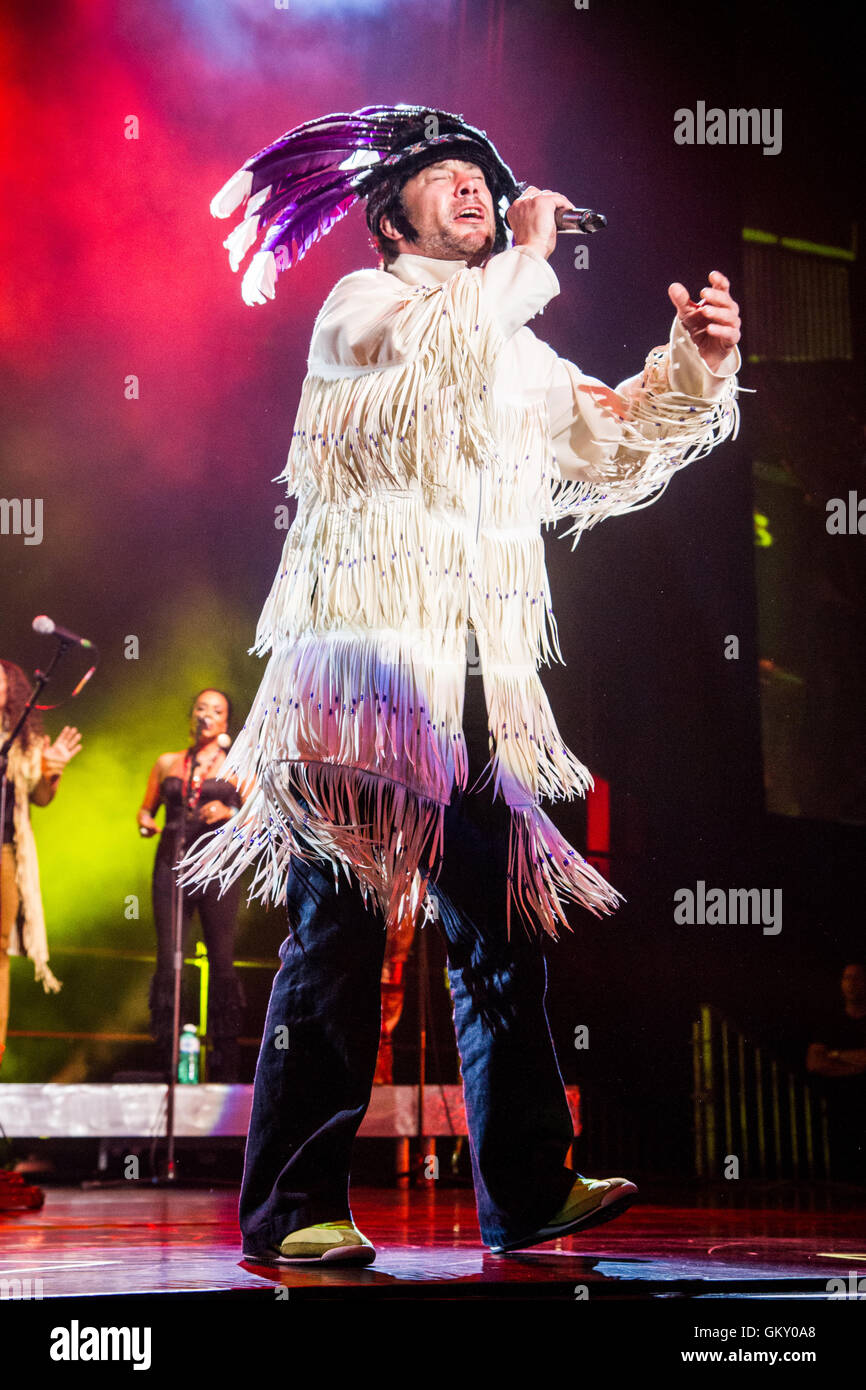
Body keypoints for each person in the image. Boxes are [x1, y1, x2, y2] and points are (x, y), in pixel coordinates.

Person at [179, 107, 742, 1263]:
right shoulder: (363, 307)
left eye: (483, 176)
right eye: (443, 177)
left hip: (481, 672)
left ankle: (528, 1188)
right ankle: (291, 1209)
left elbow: (612, 437)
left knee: (499, 939)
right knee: (338, 930)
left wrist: (697, 362)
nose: (476, 190)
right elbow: (436, 362)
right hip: (364, 664)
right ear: (390, 216)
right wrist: (529, 261)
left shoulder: (511, 341)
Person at [137, 688, 245, 1082]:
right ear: (192, 716)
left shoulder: (238, 763)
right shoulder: (169, 762)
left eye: (217, 710)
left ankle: (226, 1061)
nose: (208, 715)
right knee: (170, 959)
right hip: (171, 865)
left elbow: (256, 814)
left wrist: (230, 810)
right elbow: (146, 809)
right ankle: (168, 1057)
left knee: (221, 959)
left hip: (218, 868)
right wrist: (146, 821)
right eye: (201, 708)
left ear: (226, 722)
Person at [0, 658, 81, 1055]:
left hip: (6, 854)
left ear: (9, 691)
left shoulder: (24, 744)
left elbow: (42, 799)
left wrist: (54, 771)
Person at [806, 962, 866, 1182]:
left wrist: (835, 1055)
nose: (851, 984)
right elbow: (814, 1064)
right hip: (840, 1112)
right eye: (847, 978)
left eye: (857, 978)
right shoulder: (830, 1023)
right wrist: (857, 1066)